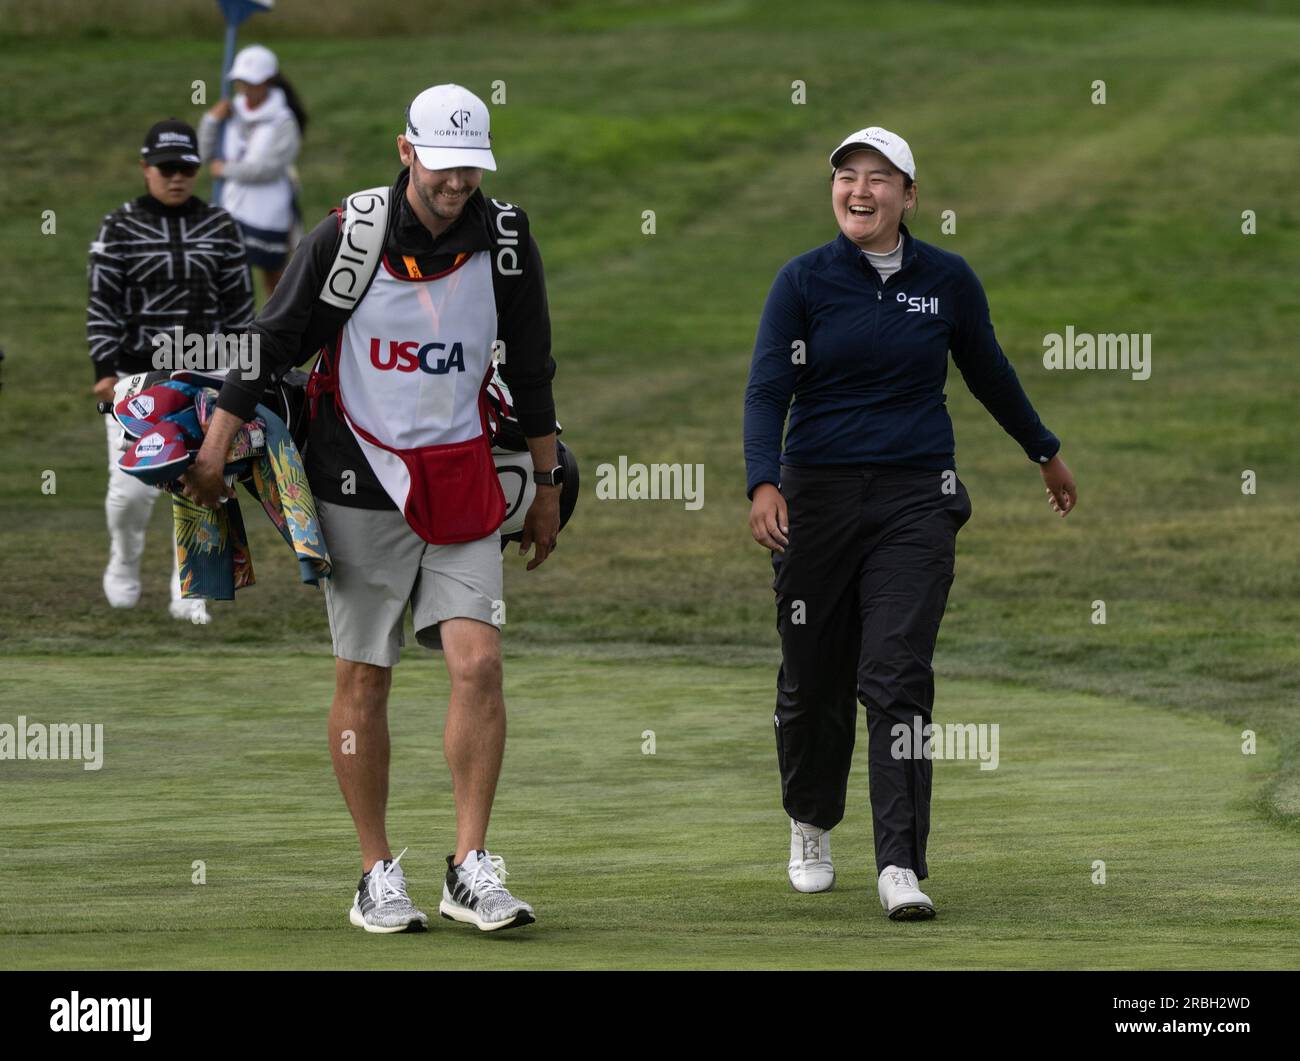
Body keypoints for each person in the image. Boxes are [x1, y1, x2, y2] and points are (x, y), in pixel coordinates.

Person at [183, 84, 562, 934]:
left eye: (471, 168)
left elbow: (532, 367)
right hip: (355, 485)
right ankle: (374, 872)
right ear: (406, 151)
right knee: (364, 675)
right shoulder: (347, 235)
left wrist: (546, 485)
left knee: (479, 664)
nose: (457, 183)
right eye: (442, 166)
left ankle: (469, 866)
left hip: (463, 483)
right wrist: (215, 446)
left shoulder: (505, 240)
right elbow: (271, 339)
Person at [744, 126, 1077, 920]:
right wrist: (763, 481)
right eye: (847, 177)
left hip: (915, 499)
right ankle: (811, 820)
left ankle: (899, 863)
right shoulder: (803, 281)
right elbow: (767, 391)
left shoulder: (947, 281)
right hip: (815, 499)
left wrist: (1045, 451)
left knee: (896, 674)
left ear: (910, 196)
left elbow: (988, 369)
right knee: (811, 679)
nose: (860, 190)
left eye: (879, 178)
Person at [88, 118, 255, 624]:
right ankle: (124, 557)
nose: (176, 176)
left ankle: (189, 590)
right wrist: (103, 368)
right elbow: (103, 303)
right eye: (166, 167)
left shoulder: (221, 226)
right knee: (132, 490)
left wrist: (241, 371)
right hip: (136, 374)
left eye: (186, 167)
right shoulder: (117, 227)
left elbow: (240, 305)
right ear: (145, 168)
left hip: (206, 372)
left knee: (202, 476)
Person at [198, 44, 306, 297]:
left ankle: (279, 332)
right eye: (241, 82)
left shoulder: (284, 121)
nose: (245, 88)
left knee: (275, 281)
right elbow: (203, 154)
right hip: (232, 207)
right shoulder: (230, 111)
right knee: (231, 279)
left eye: (252, 82)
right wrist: (211, 120)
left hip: (269, 212)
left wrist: (226, 170)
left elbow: (268, 169)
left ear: (268, 81)